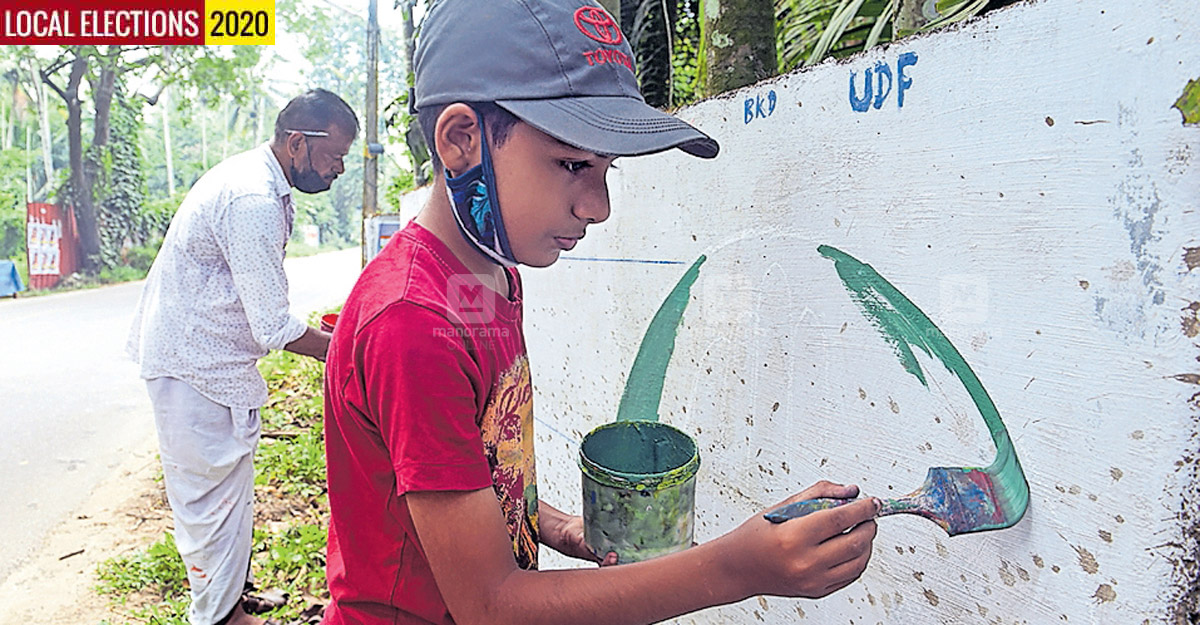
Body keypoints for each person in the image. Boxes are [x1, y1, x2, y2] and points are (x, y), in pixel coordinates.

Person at [321, 1, 879, 624]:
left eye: (606, 169)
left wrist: (559, 528)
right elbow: (493, 607)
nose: (598, 206)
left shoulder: (488, 273)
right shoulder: (412, 323)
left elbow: (481, 467)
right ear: (461, 141)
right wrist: (738, 568)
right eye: (573, 165)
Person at [127, 88, 357, 625]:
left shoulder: (263, 182)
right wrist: (353, 349)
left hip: (211, 363)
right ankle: (218, 618)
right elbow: (274, 324)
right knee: (208, 506)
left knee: (229, 497)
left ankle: (232, 598)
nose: (340, 168)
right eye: (335, 157)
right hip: (194, 366)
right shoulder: (252, 198)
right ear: (298, 142)